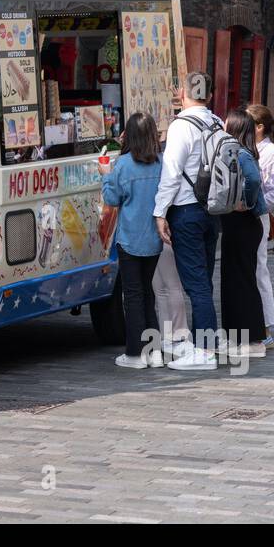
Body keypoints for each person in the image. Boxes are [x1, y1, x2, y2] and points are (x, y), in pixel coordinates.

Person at [153, 72, 223, 371]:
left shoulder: (182, 126)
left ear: (183, 91)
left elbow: (171, 172)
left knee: (197, 286)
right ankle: (206, 344)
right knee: (203, 281)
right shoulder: (217, 122)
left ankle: (204, 351)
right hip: (213, 209)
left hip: (186, 209)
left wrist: (159, 211)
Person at [101, 112, 164, 370]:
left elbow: (111, 198)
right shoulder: (161, 163)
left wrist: (105, 173)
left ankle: (136, 354)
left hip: (129, 238)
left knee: (133, 295)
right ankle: (154, 351)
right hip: (154, 238)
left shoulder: (123, 165)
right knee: (148, 293)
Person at [220, 110, 267, 358]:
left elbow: (253, 180)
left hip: (243, 222)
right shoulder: (235, 151)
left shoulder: (241, 153)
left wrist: (244, 203)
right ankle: (237, 336)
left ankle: (253, 338)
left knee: (242, 280)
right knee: (233, 279)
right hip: (236, 223)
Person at [248, 103, 274, 346]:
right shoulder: (249, 148)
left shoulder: (270, 152)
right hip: (246, 216)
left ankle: (265, 326)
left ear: (259, 127)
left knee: (260, 270)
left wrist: (253, 201)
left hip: (257, 215)